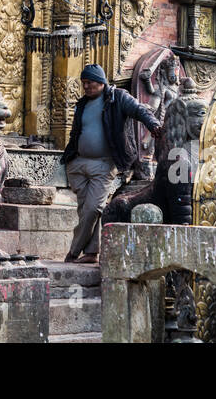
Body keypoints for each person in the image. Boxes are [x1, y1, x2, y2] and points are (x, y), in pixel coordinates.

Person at [60, 63, 162, 264]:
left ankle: (74, 251)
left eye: (89, 83)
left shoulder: (118, 98)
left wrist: (153, 124)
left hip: (104, 164)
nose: (86, 87)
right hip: (78, 164)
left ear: (100, 82)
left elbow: (140, 110)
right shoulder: (82, 104)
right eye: (83, 83)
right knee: (85, 209)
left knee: (93, 208)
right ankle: (90, 253)